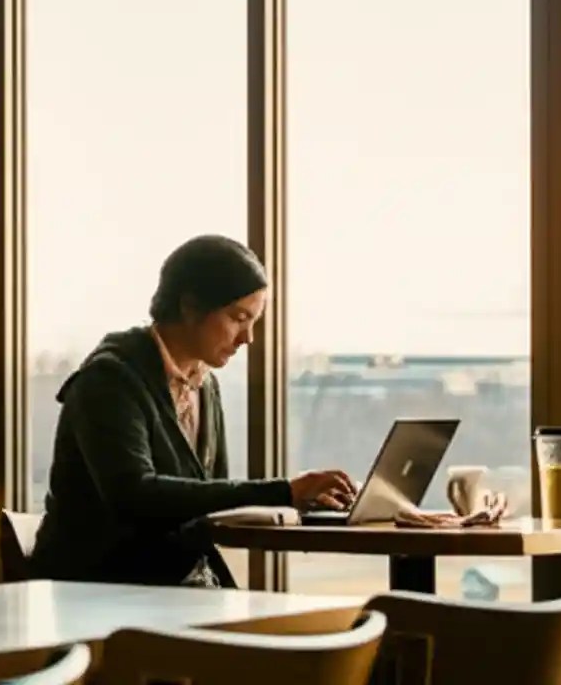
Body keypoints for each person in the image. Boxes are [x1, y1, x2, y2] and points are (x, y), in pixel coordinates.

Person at [30, 234, 356, 587]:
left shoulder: (204, 384)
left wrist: (297, 504)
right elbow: (134, 496)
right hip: (102, 593)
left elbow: (206, 498)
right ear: (190, 306)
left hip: (176, 588)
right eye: (238, 317)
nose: (248, 338)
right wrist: (285, 491)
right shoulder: (107, 381)